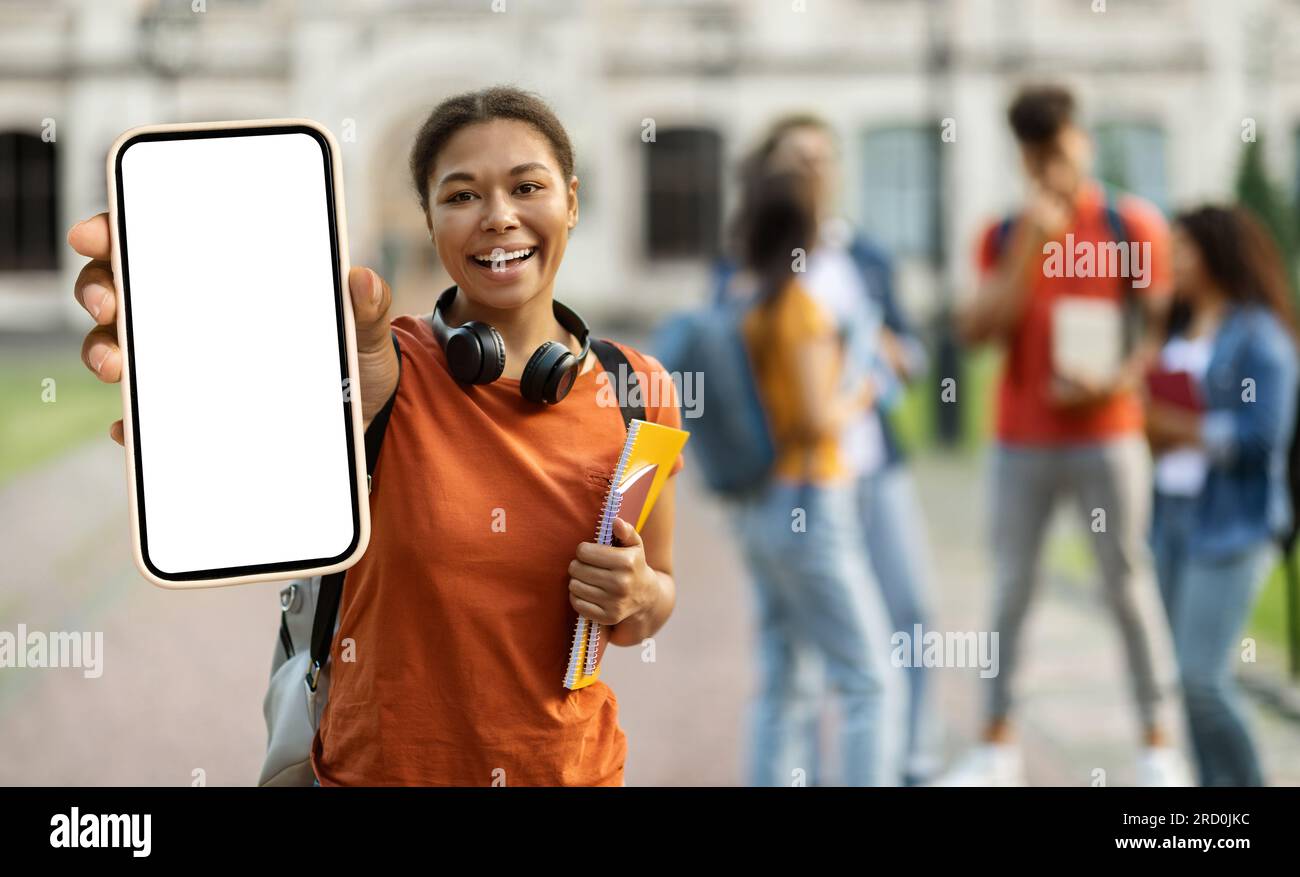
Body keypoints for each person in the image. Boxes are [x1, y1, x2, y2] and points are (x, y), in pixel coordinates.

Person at [68, 86, 684, 786]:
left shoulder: (640, 391)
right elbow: (282, 421)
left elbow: (650, 605)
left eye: (527, 186)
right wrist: (200, 376)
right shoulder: (378, 368)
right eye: (461, 197)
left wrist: (638, 595)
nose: (499, 216)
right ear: (429, 221)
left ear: (571, 200)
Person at [950, 83, 1188, 785]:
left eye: (1060, 148)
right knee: (1011, 590)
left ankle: (1158, 743)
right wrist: (1031, 248)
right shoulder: (1004, 232)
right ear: (1024, 158)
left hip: (1107, 432)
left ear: (1080, 139)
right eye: (1037, 155)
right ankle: (996, 746)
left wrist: (1117, 379)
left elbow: (1156, 331)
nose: (1052, 166)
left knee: (1127, 583)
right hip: (1021, 436)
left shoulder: (1132, 225)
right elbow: (976, 333)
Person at [726, 114, 939, 785]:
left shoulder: (755, 296)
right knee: (870, 680)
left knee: (785, 670)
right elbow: (820, 419)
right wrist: (860, 385)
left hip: (773, 501)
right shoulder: (798, 308)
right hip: (816, 493)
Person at [1147, 205, 1298, 786]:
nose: (1172, 260)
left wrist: (1179, 428)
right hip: (1172, 518)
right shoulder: (1178, 327)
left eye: (1182, 248)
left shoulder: (1261, 337)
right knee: (1179, 683)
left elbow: (1263, 439)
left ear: (1217, 252)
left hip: (1233, 524)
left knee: (1203, 679)